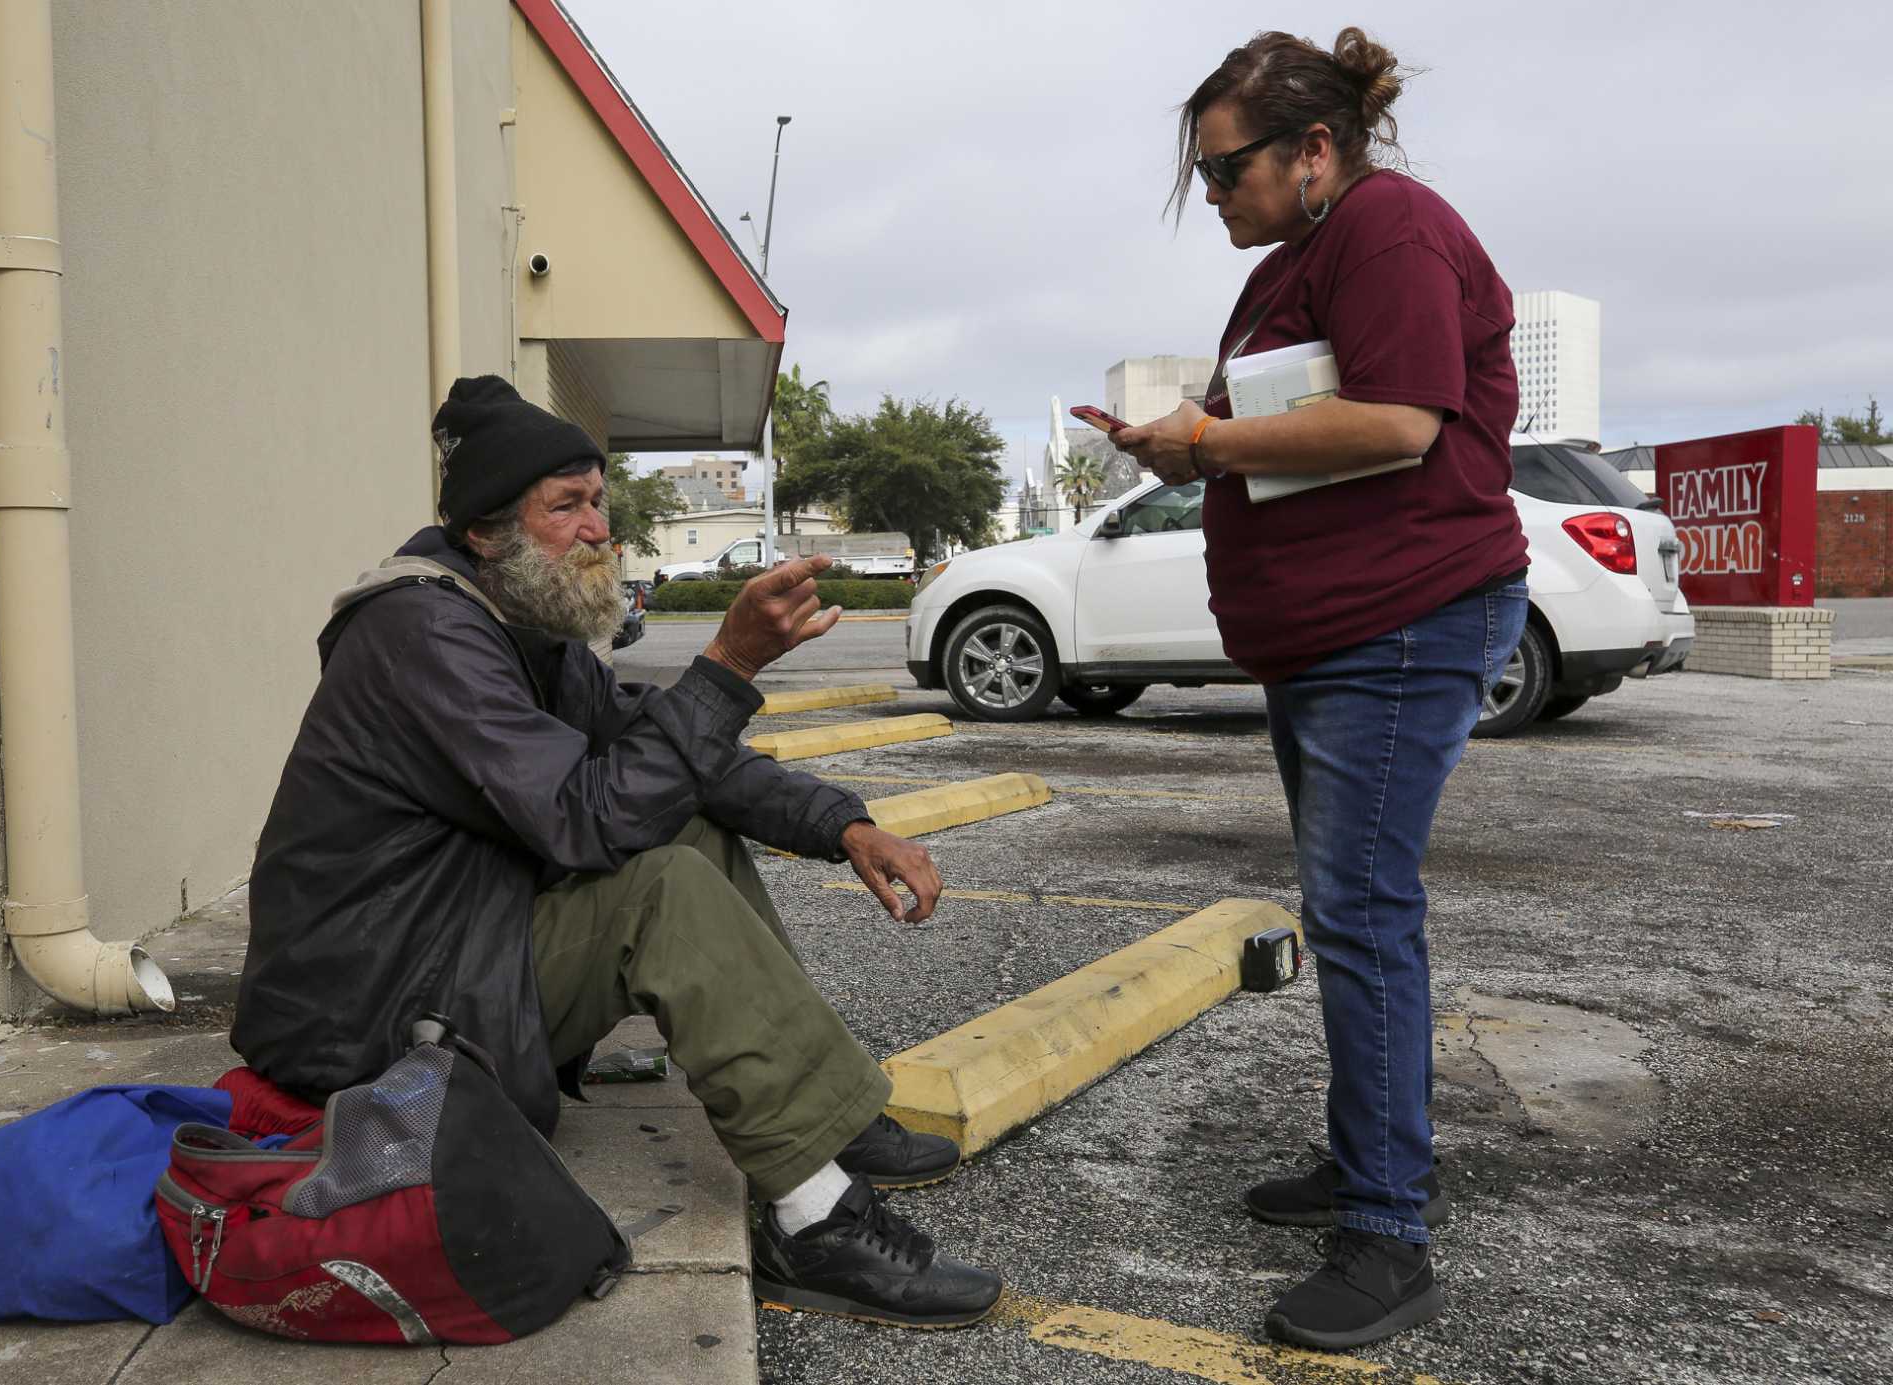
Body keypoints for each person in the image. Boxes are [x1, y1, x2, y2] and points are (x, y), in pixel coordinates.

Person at [232, 375, 1002, 1329]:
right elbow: (583, 818)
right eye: (568, 505)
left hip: (447, 951)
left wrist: (841, 822)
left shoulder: (526, 630)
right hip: (366, 1019)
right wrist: (729, 662)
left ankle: (826, 1119)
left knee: (682, 819)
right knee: (658, 886)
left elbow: (675, 761)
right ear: (485, 530)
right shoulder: (421, 633)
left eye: (599, 499)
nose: (600, 527)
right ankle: (812, 1223)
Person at [1110, 28, 1528, 1351]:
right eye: (1206, 173)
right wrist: (1184, 454)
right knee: (1349, 909)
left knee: (1358, 913)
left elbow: (1402, 421)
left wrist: (1208, 436)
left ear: (1314, 149)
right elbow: (1297, 441)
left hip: (1401, 624)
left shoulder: (1389, 226)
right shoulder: (1304, 255)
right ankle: (1372, 1162)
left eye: (1225, 169)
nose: (1215, 194)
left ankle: (1389, 1231)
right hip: (1335, 634)